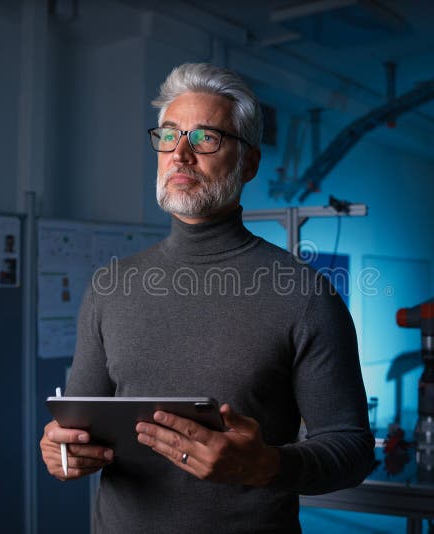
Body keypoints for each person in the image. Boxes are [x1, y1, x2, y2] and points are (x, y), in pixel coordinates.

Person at [40, 63, 374, 533]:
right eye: (169, 135)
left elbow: (352, 449)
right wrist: (61, 450)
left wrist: (268, 466)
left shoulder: (304, 295)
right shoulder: (109, 288)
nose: (180, 154)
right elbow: (76, 428)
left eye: (205, 139)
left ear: (249, 163)